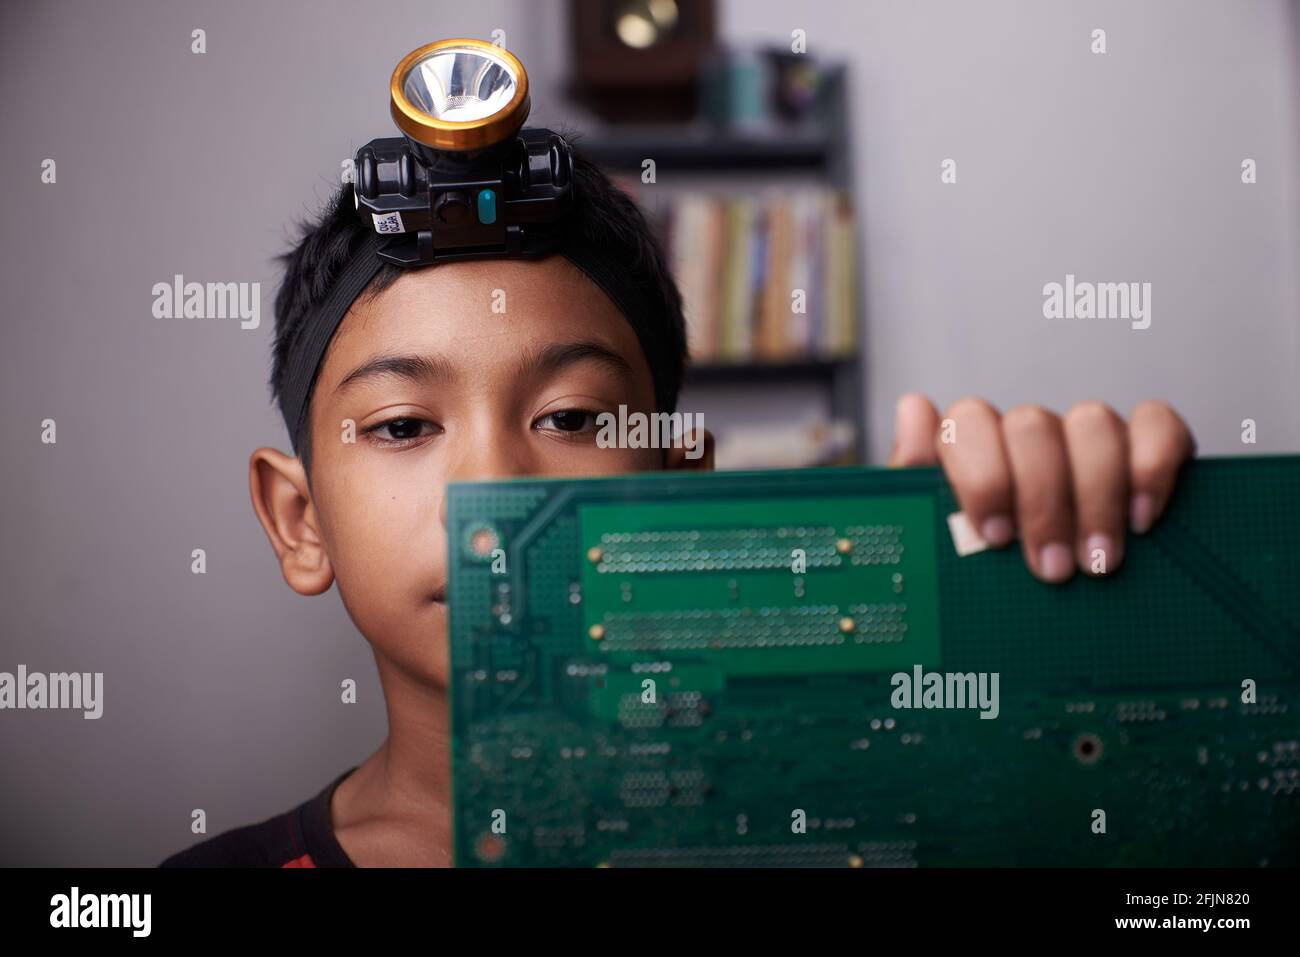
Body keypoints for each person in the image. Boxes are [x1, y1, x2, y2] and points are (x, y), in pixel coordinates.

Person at [161, 152, 1194, 867]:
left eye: (569, 415)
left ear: (674, 484)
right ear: (298, 519)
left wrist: (1061, 627)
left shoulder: (868, 828)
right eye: (400, 426)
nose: (496, 492)